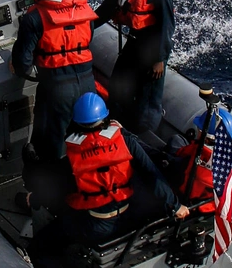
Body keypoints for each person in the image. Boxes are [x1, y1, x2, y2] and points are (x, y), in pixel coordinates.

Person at [62, 91, 187, 241]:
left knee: (52, 233)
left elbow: (61, 184)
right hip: (129, 214)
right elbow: (151, 173)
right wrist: (175, 206)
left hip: (98, 224)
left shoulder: (73, 154)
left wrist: (36, 198)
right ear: (104, 118)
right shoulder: (126, 141)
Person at [95, 0, 180, 134]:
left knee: (147, 100)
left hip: (152, 49)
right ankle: (118, 129)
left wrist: (160, 58)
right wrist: (86, 26)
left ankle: (144, 139)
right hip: (134, 41)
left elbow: (166, 22)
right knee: (117, 88)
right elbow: (109, 6)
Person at [10, 0, 96, 162]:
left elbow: (22, 64)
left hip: (57, 91)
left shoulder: (34, 17)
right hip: (88, 87)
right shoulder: (86, 11)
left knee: (48, 146)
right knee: (82, 144)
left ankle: (44, 191)